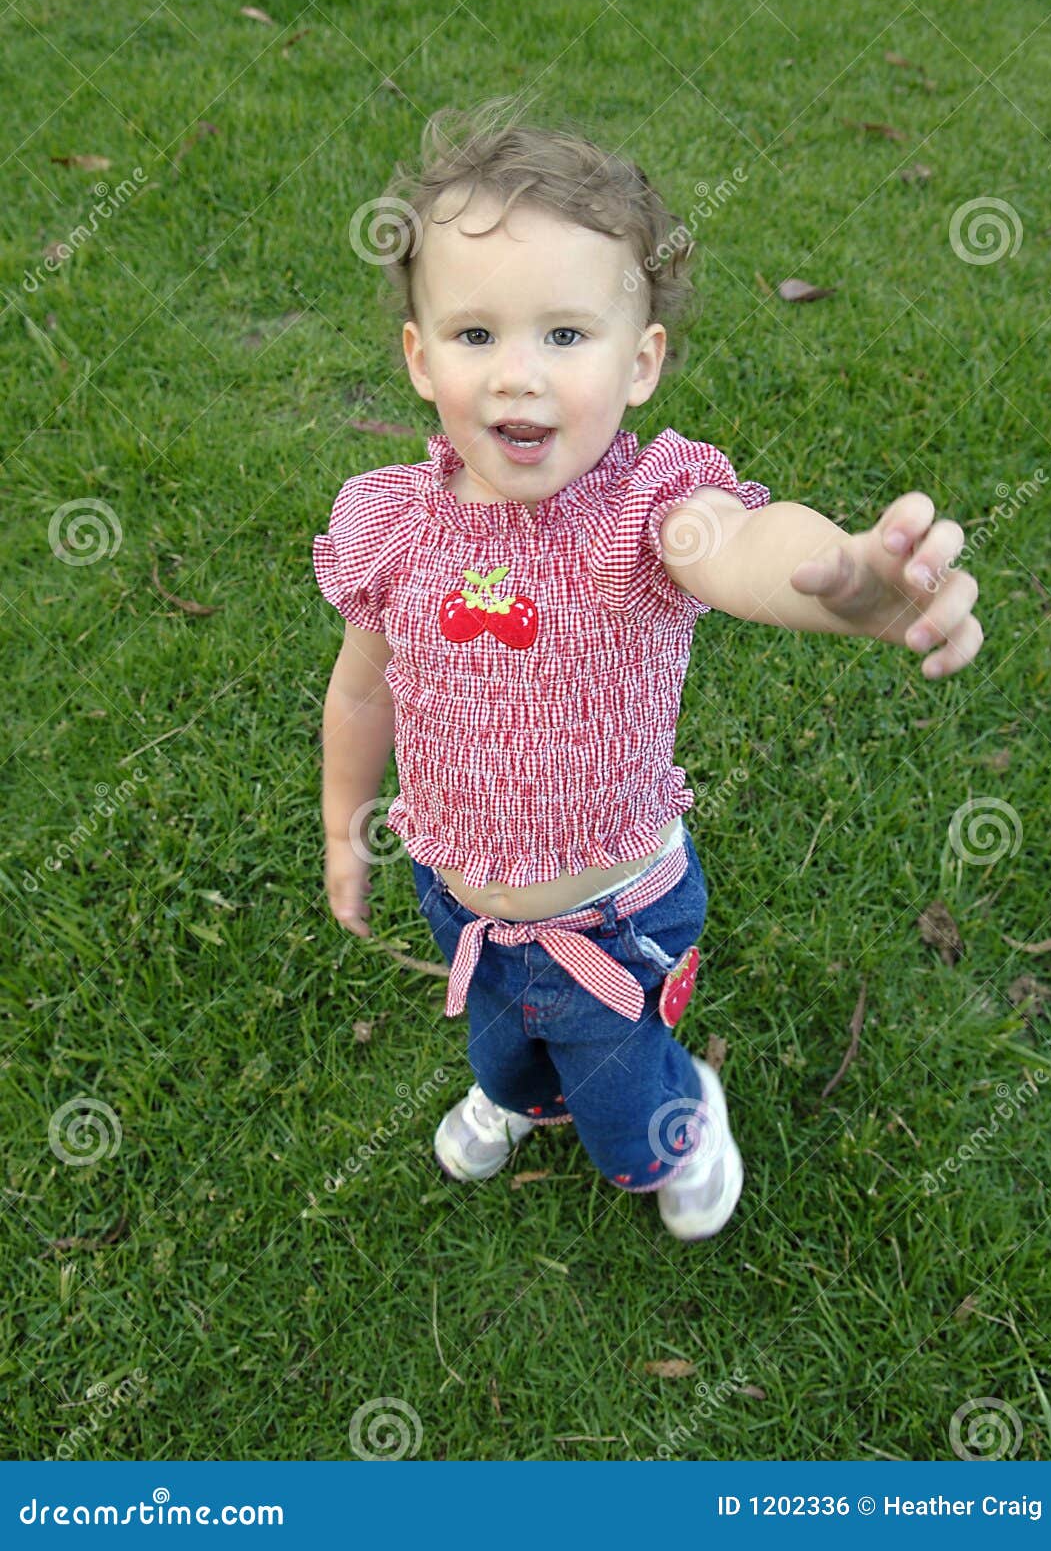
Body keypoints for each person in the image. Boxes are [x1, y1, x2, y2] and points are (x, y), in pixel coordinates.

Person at [313, 97, 984, 1242]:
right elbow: (364, 686)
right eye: (478, 336)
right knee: (500, 1037)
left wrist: (842, 576)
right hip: (456, 887)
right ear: (420, 360)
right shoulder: (389, 527)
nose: (518, 376)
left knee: (620, 1099)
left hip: (612, 917)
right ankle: (517, 1091)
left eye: (566, 337)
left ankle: (682, 1114)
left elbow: (735, 546)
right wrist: (344, 823)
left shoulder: (642, 514)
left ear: (642, 363)